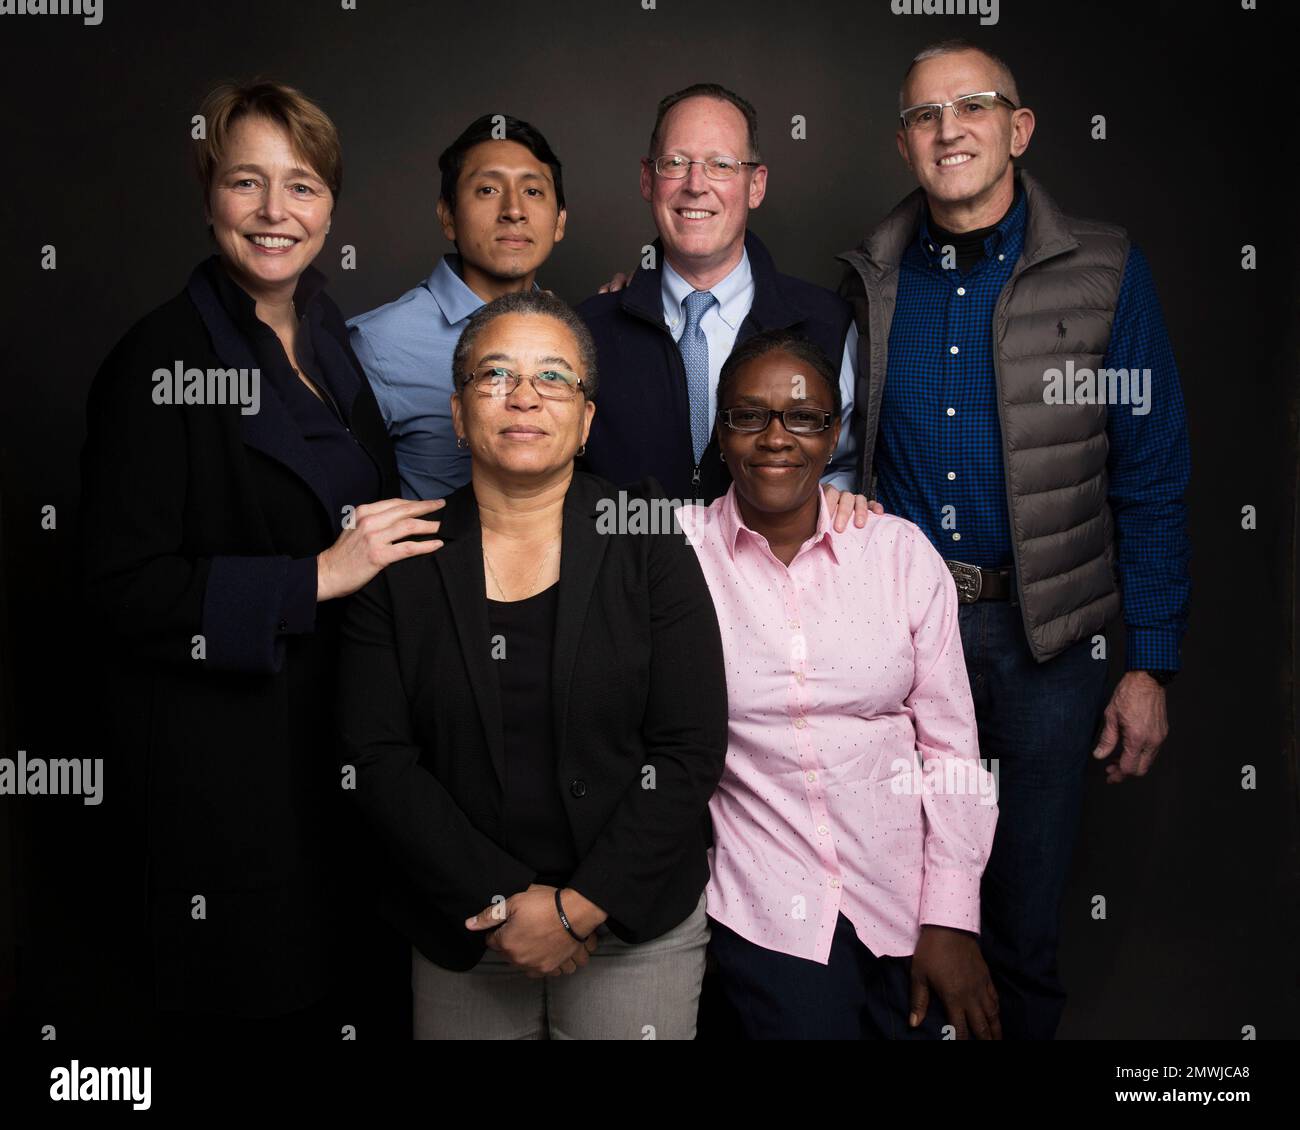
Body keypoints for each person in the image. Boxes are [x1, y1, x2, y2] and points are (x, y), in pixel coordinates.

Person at [836, 39, 1191, 1038]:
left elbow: (1153, 473)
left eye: (973, 106)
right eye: (923, 114)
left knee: (1021, 931)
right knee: (902, 926)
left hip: (1049, 652)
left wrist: (1148, 664)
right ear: (903, 141)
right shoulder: (867, 278)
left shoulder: (1107, 271)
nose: (948, 129)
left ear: (1017, 129)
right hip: (902, 649)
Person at [78, 80, 444, 1036]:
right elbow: (120, 590)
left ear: (331, 205)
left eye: (303, 186)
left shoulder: (326, 336)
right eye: (248, 182)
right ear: (209, 196)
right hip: (226, 782)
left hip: (333, 753)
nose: (277, 212)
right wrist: (314, 576)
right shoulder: (157, 361)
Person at [336, 291, 729, 1040]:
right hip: (467, 923)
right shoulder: (401, 557)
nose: (523, 396)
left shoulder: (646, 537)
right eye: (495, 376)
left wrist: (576, 908)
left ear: (584, 421)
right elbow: (375, 761)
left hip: (630, 922)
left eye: (553, 378)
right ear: (458, 414)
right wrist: (504, 901)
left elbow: (690, 750)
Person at [678, 330, 1000, 1040]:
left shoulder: (898, 554)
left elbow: (952, 753)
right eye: (748, 415)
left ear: (835, 434)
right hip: (765, 904)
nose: (775, 438)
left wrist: (950, 917)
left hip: (904, 897)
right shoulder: (676, 558)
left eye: (803, 417)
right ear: (721, 430)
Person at [577, 83, 862, 509]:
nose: (696, 184)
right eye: (675, 163)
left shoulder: (829, 324)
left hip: (776, 572)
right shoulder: (585, 330)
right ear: (647, 179)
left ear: (755, 185)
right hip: (628, 574)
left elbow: (844, 469)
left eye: (721, 165)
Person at [348, 114, 567, 501]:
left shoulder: (573, 336)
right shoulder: (377, 344)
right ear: (447, 216)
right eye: (487, 190)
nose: (514, 210)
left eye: (533, 192)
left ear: (559, 222)